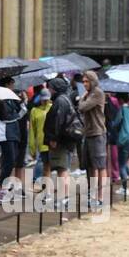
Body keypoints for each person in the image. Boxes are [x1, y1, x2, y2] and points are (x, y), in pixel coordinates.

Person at [43, 78, 76, 210]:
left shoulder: (60, 101)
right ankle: (64, 198)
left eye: (50, 87)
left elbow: (58, 121)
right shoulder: (65, 99)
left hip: (60, 141)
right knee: (63, 169)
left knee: (62, 170)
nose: (49, 90)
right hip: (65, 140)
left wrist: (54, 138)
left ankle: (64, 199)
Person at [0, 78, 27, 200]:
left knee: (12, 160)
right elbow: (5, 117)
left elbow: (22, 111)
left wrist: (22, 101)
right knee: (9, 160)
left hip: (15, 133)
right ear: (6, 85)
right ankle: (1, 187)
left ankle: (5, 186)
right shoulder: (0, 99)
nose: (13, 86)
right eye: (12, 84)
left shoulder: (12, 98)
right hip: (5, 134)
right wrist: (16, 116)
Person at [78, 71, 108, 209]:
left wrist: (82, 98)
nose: (84, 84)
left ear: (93, 81)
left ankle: (101, 197)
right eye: (83, 81)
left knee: (100, 166)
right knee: (89, 166)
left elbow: (82, 107)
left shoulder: (97, 93)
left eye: (87, 81)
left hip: (97, 133)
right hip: (89, 133)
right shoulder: (89, 94)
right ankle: (92, 195)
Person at [27, 89, 51, 180]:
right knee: (42, 163)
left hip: (51, 142)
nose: (45, 101)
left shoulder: (52, 107)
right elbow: (32, 131)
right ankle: (36, 180)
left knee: (48, 165)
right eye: (43, 99)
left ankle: (44, 186)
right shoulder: (34, 111)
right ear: (40, 98)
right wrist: (32, 148)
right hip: (41, 143)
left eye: (47, 99)